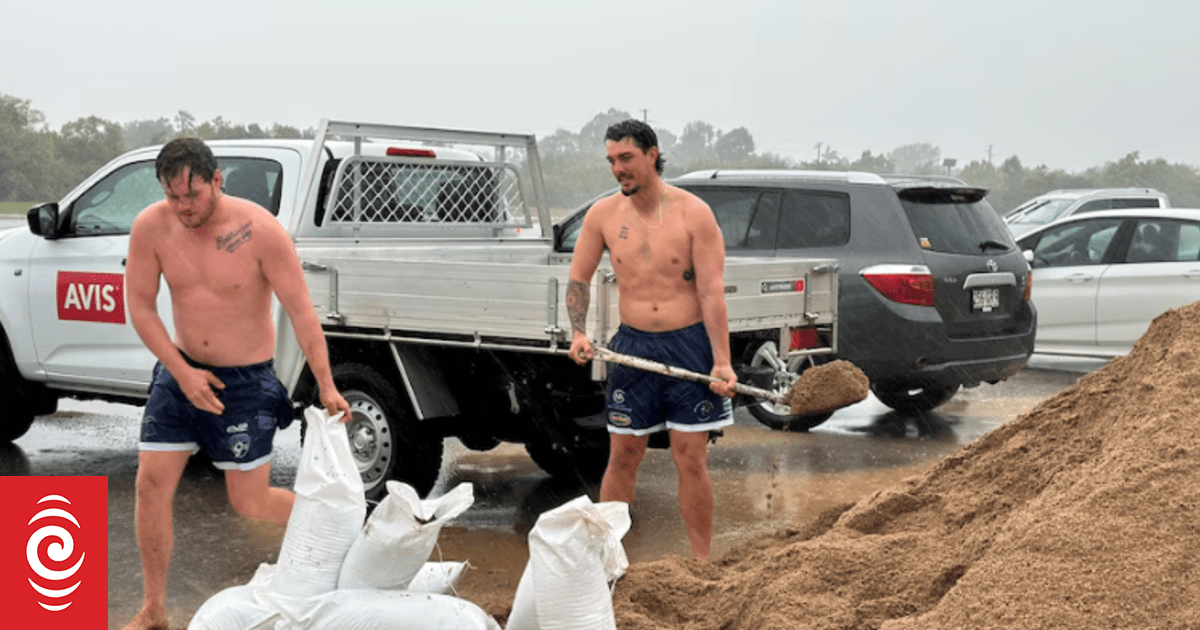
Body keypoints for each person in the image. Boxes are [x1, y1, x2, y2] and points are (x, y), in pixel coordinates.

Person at [122, 137, 350, 630]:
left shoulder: (260, 232)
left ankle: (346, 532)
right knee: (151, 485)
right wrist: (182, 372)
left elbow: (302, 312)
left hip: (244, 382)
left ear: (217, 180)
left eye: (193, 195)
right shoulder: (151, 227)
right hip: (180, 370)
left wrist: (327, 384)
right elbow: (139, 306)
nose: (183, 207)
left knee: (251, 502)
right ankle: (154, 609)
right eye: (172, 196)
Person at [567, 119, 737, 559]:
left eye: (626, 158)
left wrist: (722, 361)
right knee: (623, 456)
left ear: (652, 154)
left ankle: (702, 562)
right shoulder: (602, 215)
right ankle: (608, 560)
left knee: (690, 457)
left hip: (689, 346)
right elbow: (579, 277)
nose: (618, 169)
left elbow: (711, 291)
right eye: (611, 160)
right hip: (633, 347)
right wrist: (579, 331)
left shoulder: (693, 213)